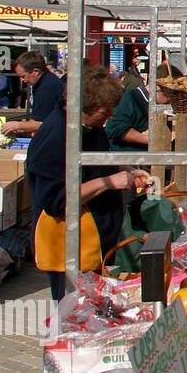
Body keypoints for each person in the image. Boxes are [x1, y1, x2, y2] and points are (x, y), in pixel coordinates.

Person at [26, 65, 148, 301]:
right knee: (74, 314)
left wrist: (123, 169)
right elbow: (56, 200)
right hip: (70, 250)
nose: (110, 116)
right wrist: (109, 181)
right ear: (83, 107)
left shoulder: (90, 127)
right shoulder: (55, 136)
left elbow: (89, 167)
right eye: (104, 110)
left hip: (92, 247)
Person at [107, 65, 180, 151]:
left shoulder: (158, 104)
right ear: (158, 87)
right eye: (173, 93)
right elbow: (116, 129)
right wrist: (154, 140)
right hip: (130, 160)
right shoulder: (130, 98)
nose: (173, 98)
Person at [0, 51, 64, 138]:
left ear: (35, 71)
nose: (22, 80)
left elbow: (41, 123)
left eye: (23, 76)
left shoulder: (46, 88)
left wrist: (17, 125)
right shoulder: (46, 82)